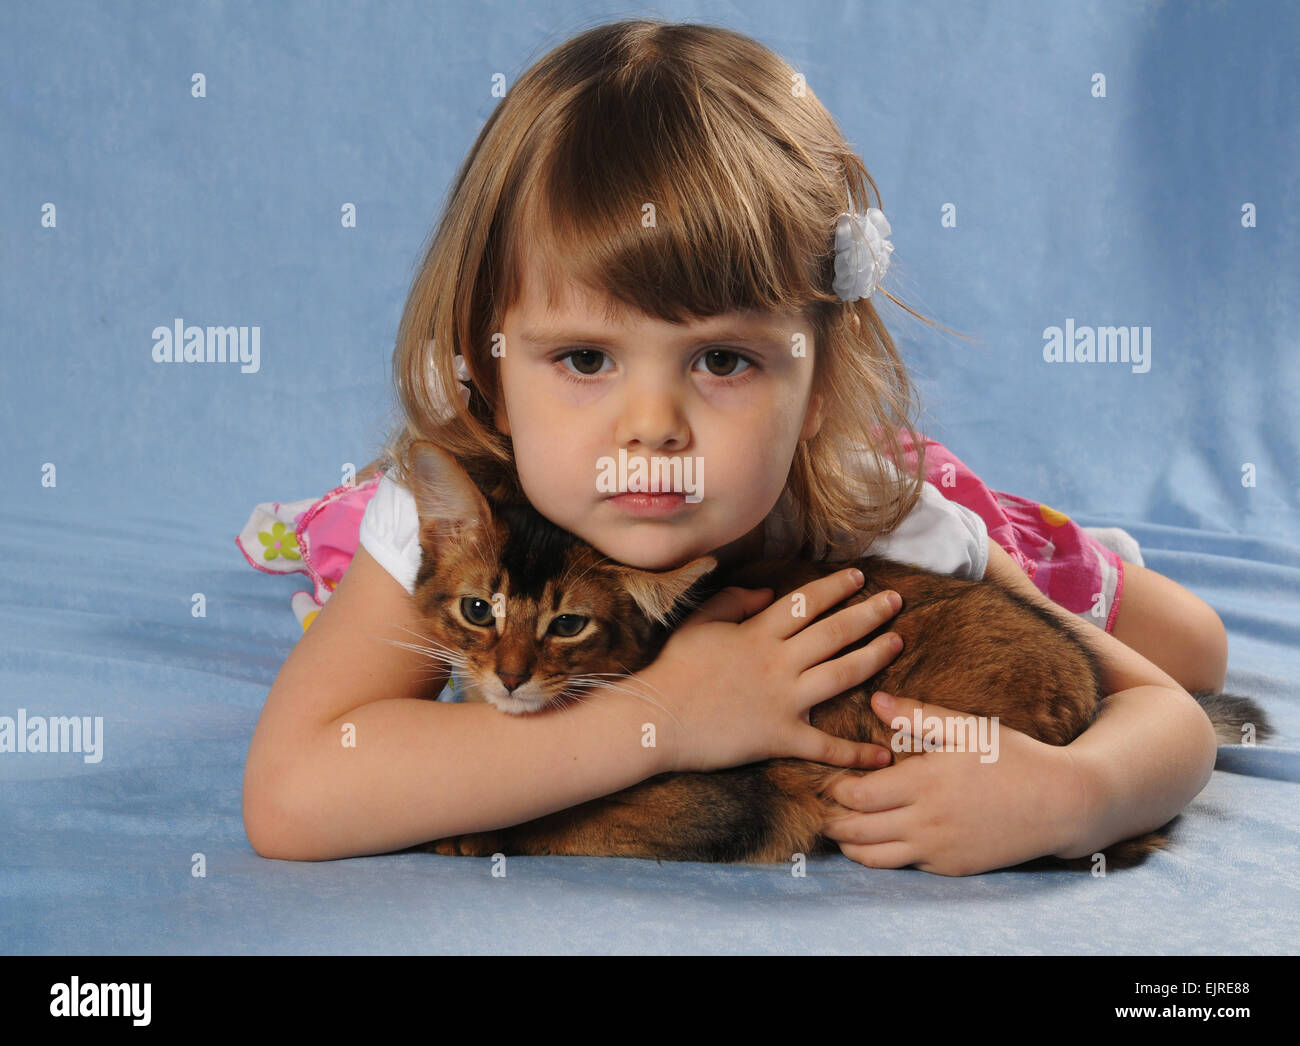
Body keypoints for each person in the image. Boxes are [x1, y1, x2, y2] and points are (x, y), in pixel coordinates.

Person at [239, 19, 1226, 876]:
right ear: (488, 371)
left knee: (1192, 640)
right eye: (585, 357)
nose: (653, 424)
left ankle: (1055, 540)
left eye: (722, 359)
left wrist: (1083, 793)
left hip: (845, 491)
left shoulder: (872, 518)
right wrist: (663, 714)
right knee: (350, 565)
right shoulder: (450, 518)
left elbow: (1168, 713)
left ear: (815, 387)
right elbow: (292, 792)